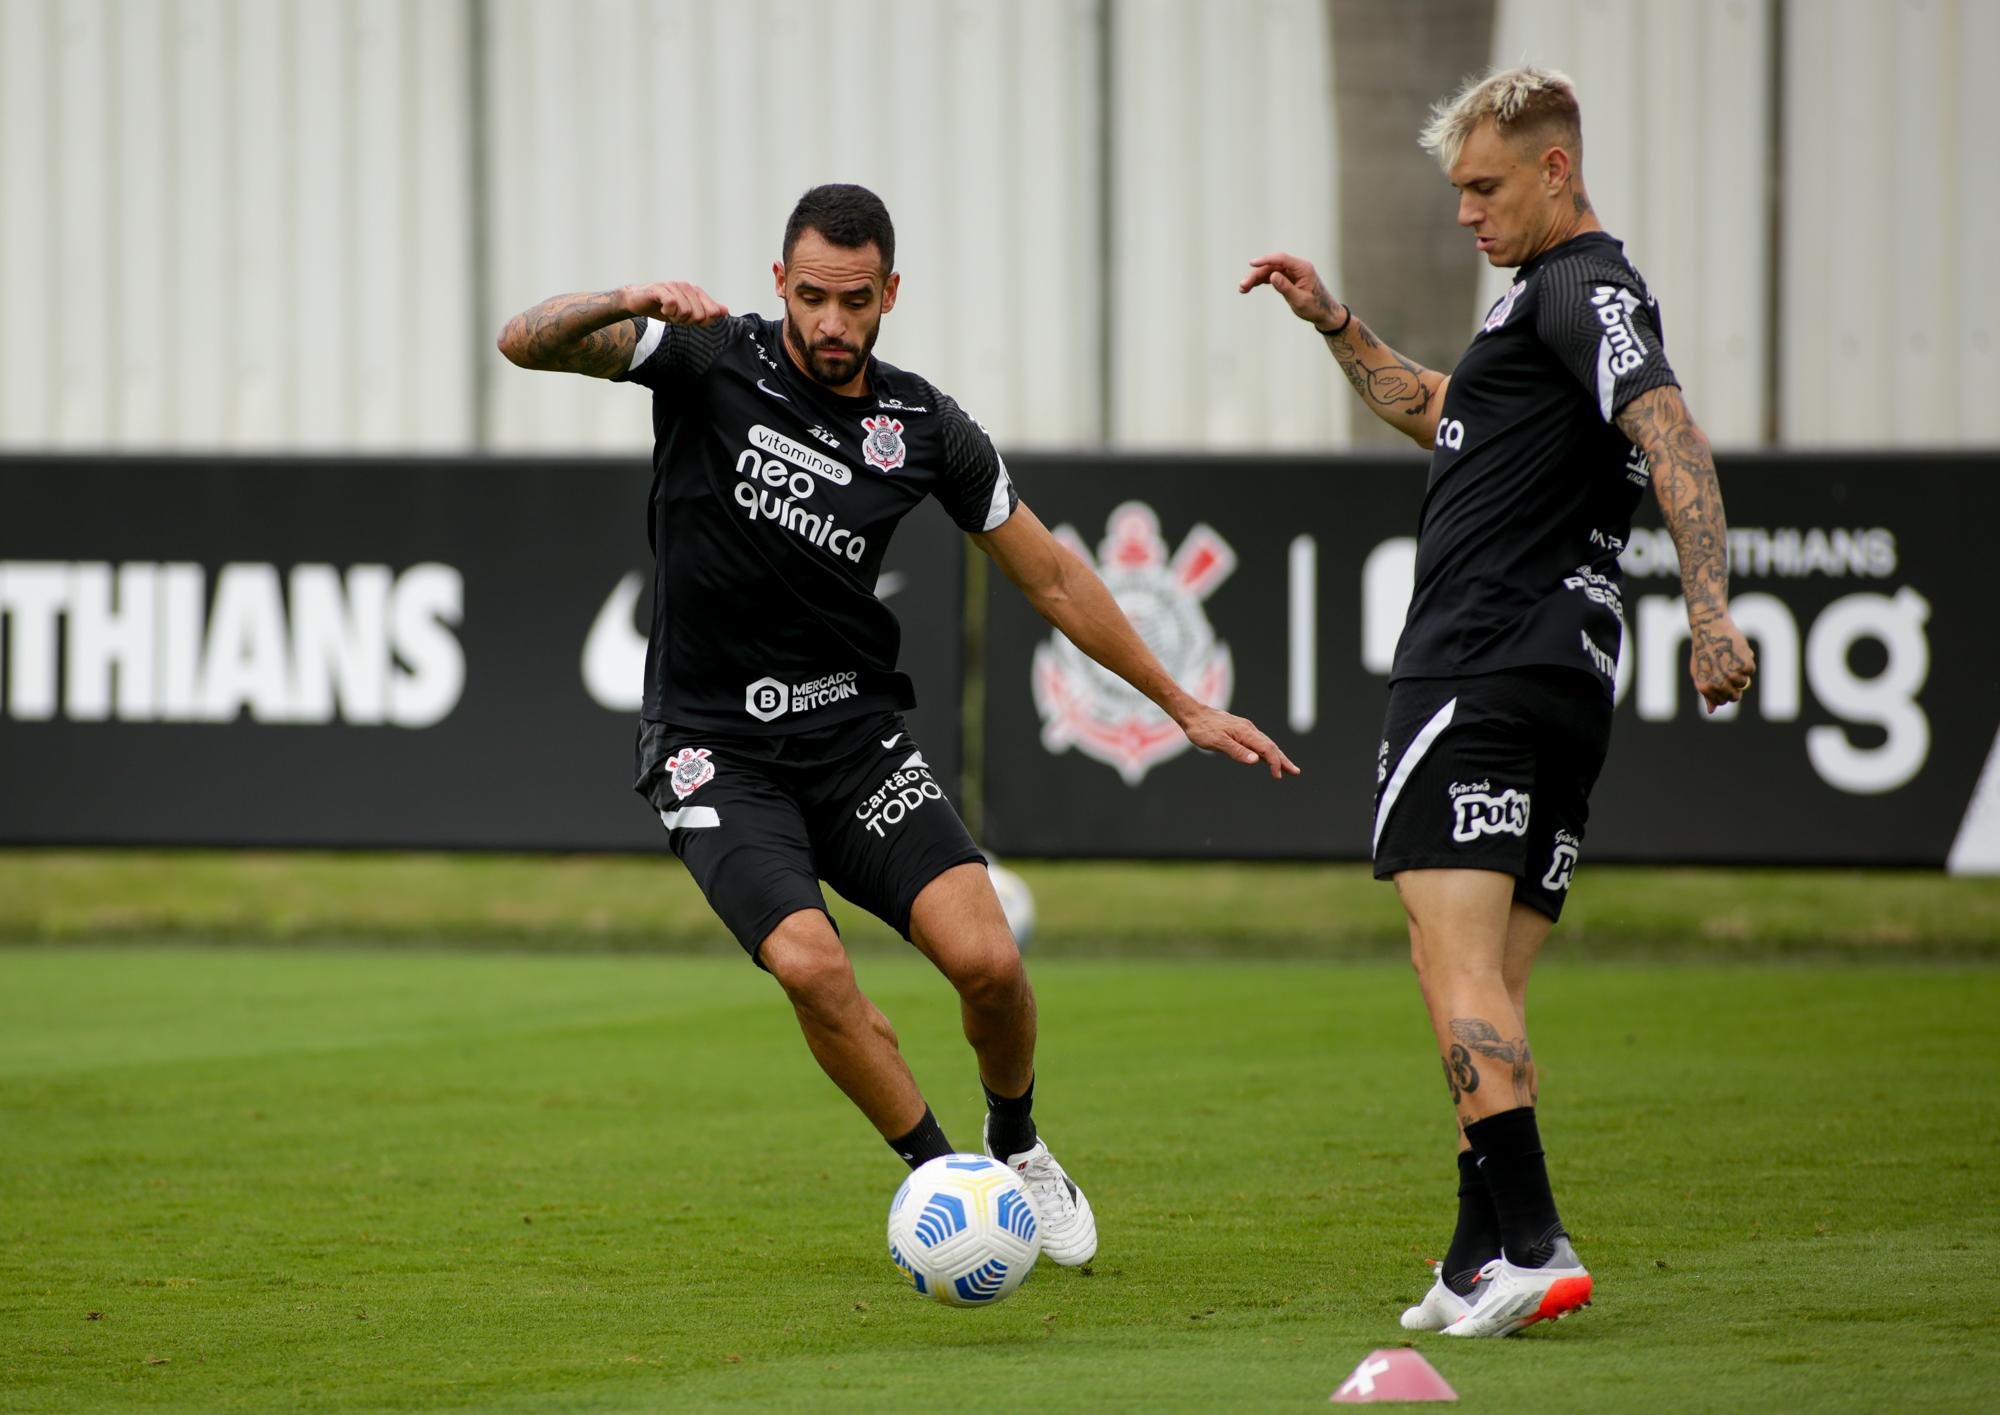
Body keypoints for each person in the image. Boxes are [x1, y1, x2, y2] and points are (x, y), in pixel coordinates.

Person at [500, 183, 1297, 1267]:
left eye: (856, 301)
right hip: (712, 749)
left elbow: (1056, 578)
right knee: (810, 966)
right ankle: (942, 1180)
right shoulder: (705, 357)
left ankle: (1013, 1144)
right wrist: (626, 296)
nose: (832, 323)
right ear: (779, 282)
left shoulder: (923, 425)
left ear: (890, 294)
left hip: (851, 738)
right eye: (814, 297)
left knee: (988, 965)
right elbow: (521, 341)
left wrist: (1184, 704)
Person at [1242, 68, 1752, 1337]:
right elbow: (1443, 414)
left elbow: (1672, 434)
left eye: (1482, 186)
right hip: (1563, 675)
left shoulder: (1585, 286)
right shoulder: (1534, 310)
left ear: (1553, 171)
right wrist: (1335, 323)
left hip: (1477, 661)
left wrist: (1709, 607)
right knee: (1474, 973)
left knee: (1450, 956)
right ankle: (1476, 1251)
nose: (1464, 211)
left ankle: (1533, 1239)